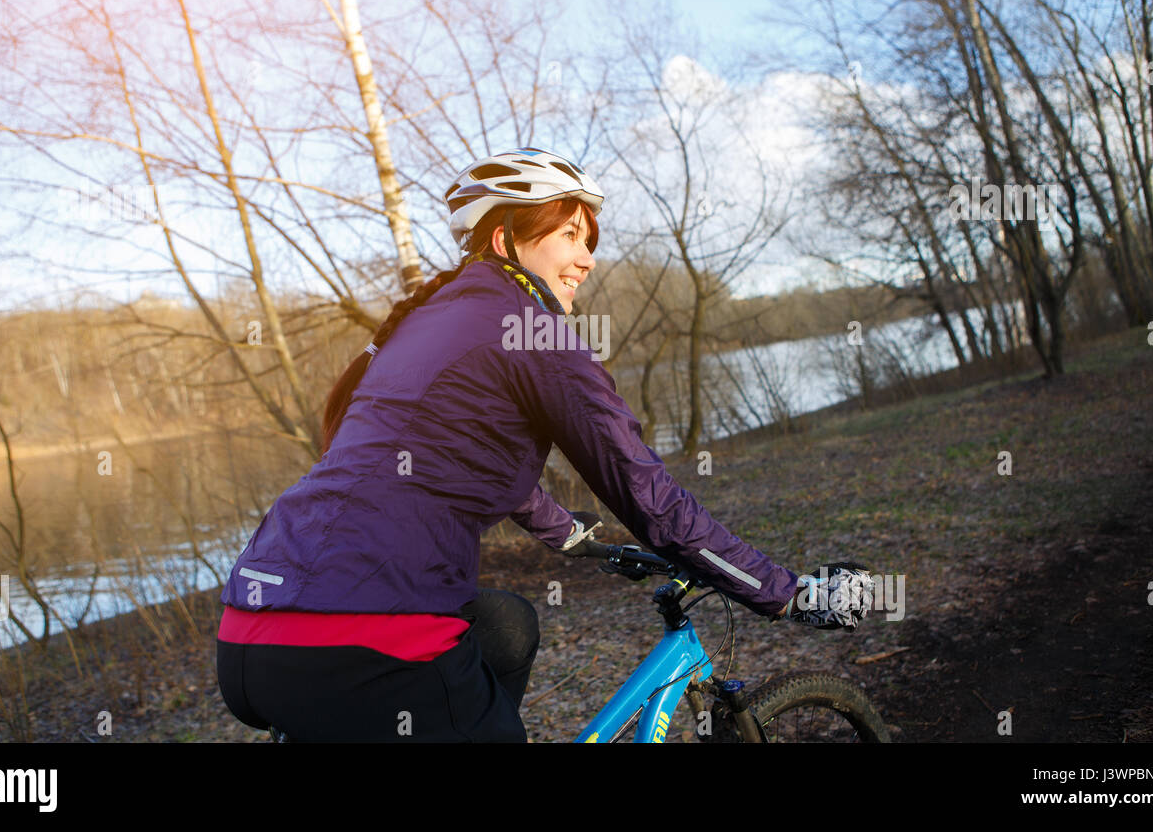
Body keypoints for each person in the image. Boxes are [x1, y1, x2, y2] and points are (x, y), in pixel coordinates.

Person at [215, 147, 869, 743]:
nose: (587, 258)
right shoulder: (535, 333)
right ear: (505, 239)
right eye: (568, 235)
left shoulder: (430, 320)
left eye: (588, 240)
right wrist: (790, 594)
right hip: (364, 637)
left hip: (250, 628)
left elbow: (442, 454)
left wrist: (574, 536)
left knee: (506, 629)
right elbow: (651, 500)